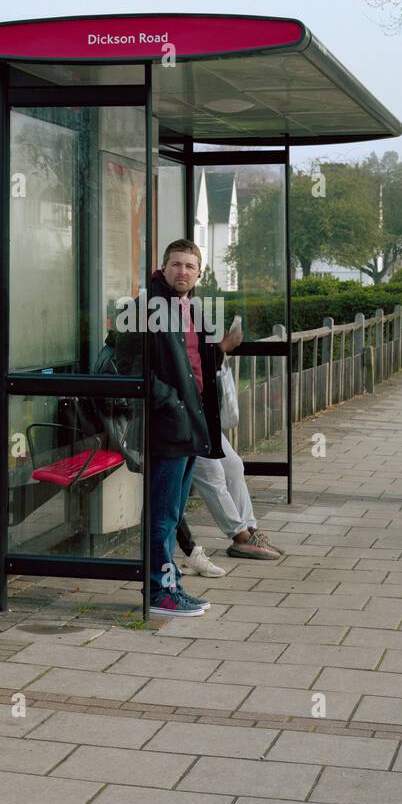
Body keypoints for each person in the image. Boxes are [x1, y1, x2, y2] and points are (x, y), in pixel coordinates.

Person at [116, 239, 240, 616]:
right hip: (167, 425)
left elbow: (193, 365)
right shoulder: (143, 309)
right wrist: (169, 402)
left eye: (189, 265)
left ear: (199, 272)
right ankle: (157, 593)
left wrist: (221, 350)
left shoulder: (191, 308)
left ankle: (171, 585)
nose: (182, 271)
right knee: (163, 514)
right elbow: (128, 364)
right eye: (176, 264)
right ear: (163, 268)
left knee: (173, 512)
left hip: (191, 423)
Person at [175, 434, 285, 573]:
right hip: (187, 422)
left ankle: (250, 529)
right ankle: (240, 534)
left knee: (233, 465)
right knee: (212, 472)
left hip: (206, 420)